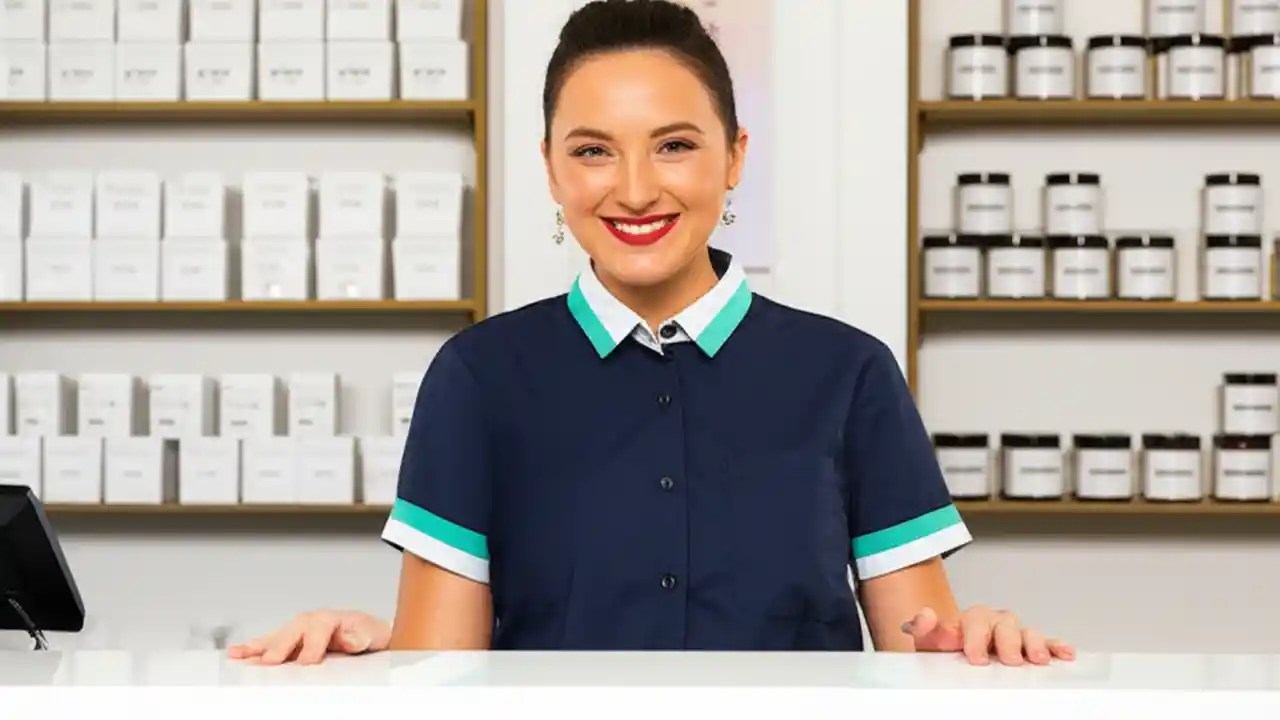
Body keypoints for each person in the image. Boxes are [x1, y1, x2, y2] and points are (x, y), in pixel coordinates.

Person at [229, 0, 1074, 667]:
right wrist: (375, 655)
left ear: (734, 157)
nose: (634, 190)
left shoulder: (848, 373)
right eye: (593, 151)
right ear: (551, 167)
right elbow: (442, 672)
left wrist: (971, 647)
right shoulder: (479, 377)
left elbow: (915, 648)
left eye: (674, 145)